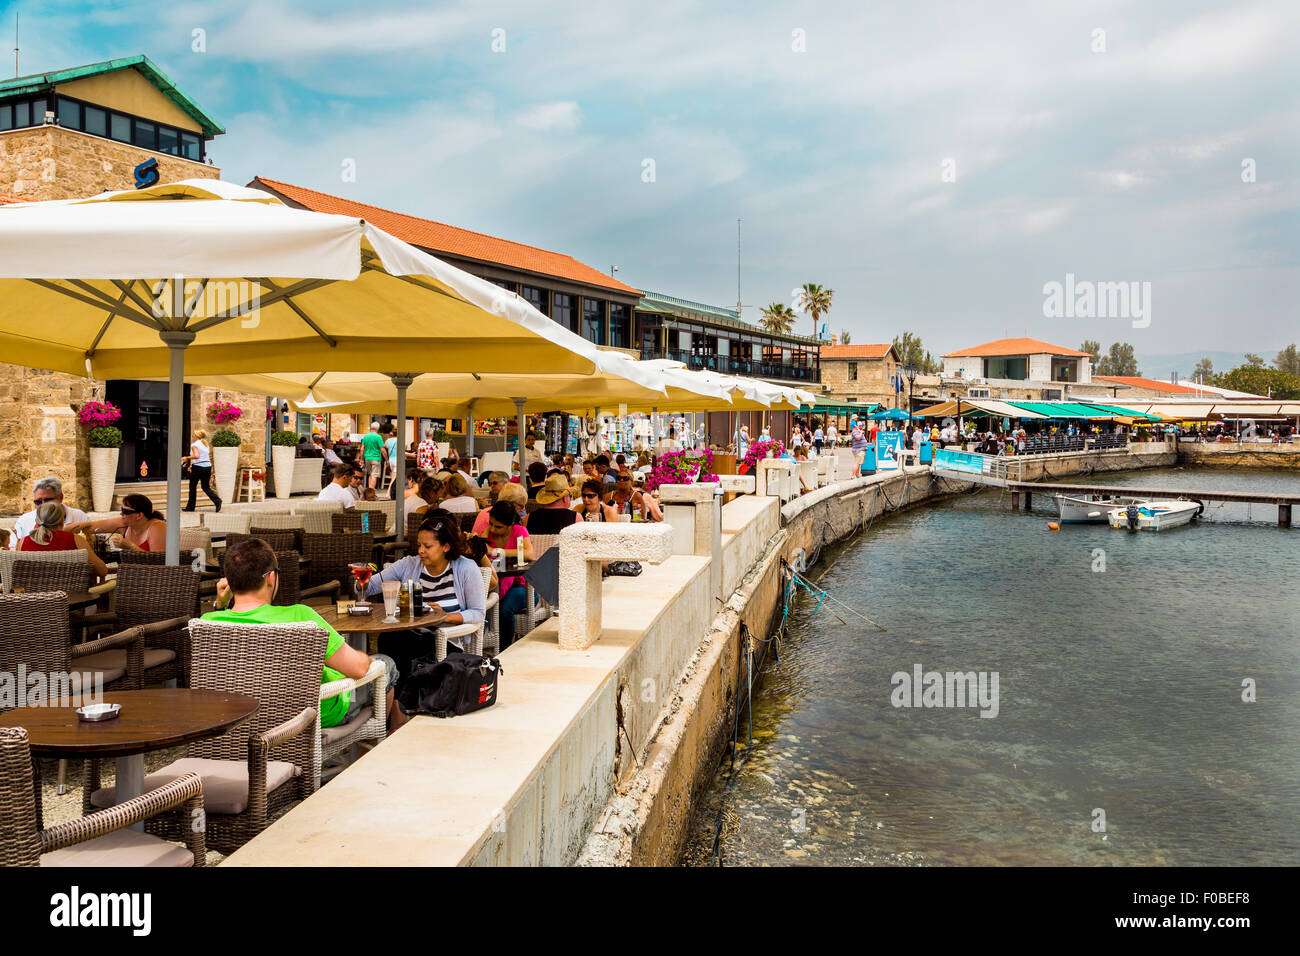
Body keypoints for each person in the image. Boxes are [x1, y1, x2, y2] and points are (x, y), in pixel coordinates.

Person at [206, 537, 404, 731]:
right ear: (271, 578)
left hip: (240, 719)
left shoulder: (208, 622)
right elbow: (358, 669)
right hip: (311, 715)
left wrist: (220, 605)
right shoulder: (300, 616)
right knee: (385, 665)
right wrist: (365, 658)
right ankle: (363, 746)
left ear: (229, 582)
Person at [367, 515, 487, 676]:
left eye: (427, 546)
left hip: (445, 640)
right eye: (419, 545)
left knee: (403, 647)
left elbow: (478, 613)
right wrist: (360, 578)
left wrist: (444, 617)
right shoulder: (409, 564)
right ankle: (392, 698)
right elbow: (371, 586)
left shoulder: (466, 568)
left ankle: (399, 698)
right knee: (389, 639)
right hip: (411, 634)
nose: (420, 551)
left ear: (446, 546)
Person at [480, 501, 535, 650]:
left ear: (510, 523)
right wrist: (485, 535)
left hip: (522, 586)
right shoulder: (489, 533)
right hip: (496, 585)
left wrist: (495, 551)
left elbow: (529, 554)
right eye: (490, 524)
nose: (493, 529)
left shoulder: (519, 531)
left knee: (503, 609)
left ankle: (504, 649)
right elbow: (478, 551)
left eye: (498, 526)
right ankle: (480, 646)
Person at [18, 502, 110, 579]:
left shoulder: (23, 543)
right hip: (74, 598)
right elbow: (102, 571)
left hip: (33, 599)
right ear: (62, 520)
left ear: (36, 521)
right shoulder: (76, 540)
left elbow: (17, 574)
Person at [8, 477, 89, 549]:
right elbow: (13, 547)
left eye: (48, 500)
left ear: (61, 497)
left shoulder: (79, 516)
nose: (43, 505)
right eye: (38, 501)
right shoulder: (24, 520)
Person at [70, 493, 165, 553]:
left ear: (139, 515)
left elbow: (158, 561)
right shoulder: (125, 524)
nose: (121, 513)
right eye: (122, 509)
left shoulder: (157, 527)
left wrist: (131, 547)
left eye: (126, 512)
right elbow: (90, 527)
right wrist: (60, 530)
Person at [181, 428, 222, 512]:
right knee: (206, 487)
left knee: (192, 487)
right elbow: (202, 457)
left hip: (198, 468)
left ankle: (190, 507)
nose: (192, 435)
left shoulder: (194, 445)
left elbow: (196, 456)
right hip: (207, 467)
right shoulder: (205, 445)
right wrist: (192, 465)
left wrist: (186, 458)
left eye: (194, 434)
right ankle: (217, 500)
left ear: (196, 436)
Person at [360, 421, 385, 489]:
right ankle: (372, 491)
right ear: (378, 428)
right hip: (376, 458)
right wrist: (387, 459)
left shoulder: (366, 436)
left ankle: (369, 492)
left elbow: (362, 449)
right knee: (374, 475)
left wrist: (362, 459)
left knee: (370, 475)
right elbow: (382, 449)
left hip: (367, 458)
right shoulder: (378, 437)